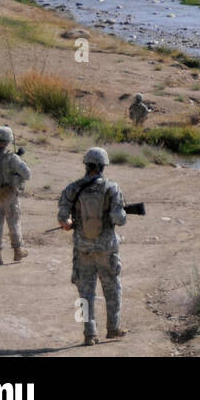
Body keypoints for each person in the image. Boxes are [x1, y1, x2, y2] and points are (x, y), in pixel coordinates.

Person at [57, 147, 127, 346]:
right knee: (112, 288)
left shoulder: (72, 188)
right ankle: (113, 328)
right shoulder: (112, 188)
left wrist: (69, 223)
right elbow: (118, 219)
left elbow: (63, 218)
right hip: (107, 248)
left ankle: (90, 334)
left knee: (85, 292)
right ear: (103, 166)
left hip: (82, 248)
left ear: (86, 165)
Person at [0, 126, 30, 266]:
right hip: (8, 196)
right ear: (9, 140)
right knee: (14, 223)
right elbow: (27, 175)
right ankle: (18, 251)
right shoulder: (12, 157)